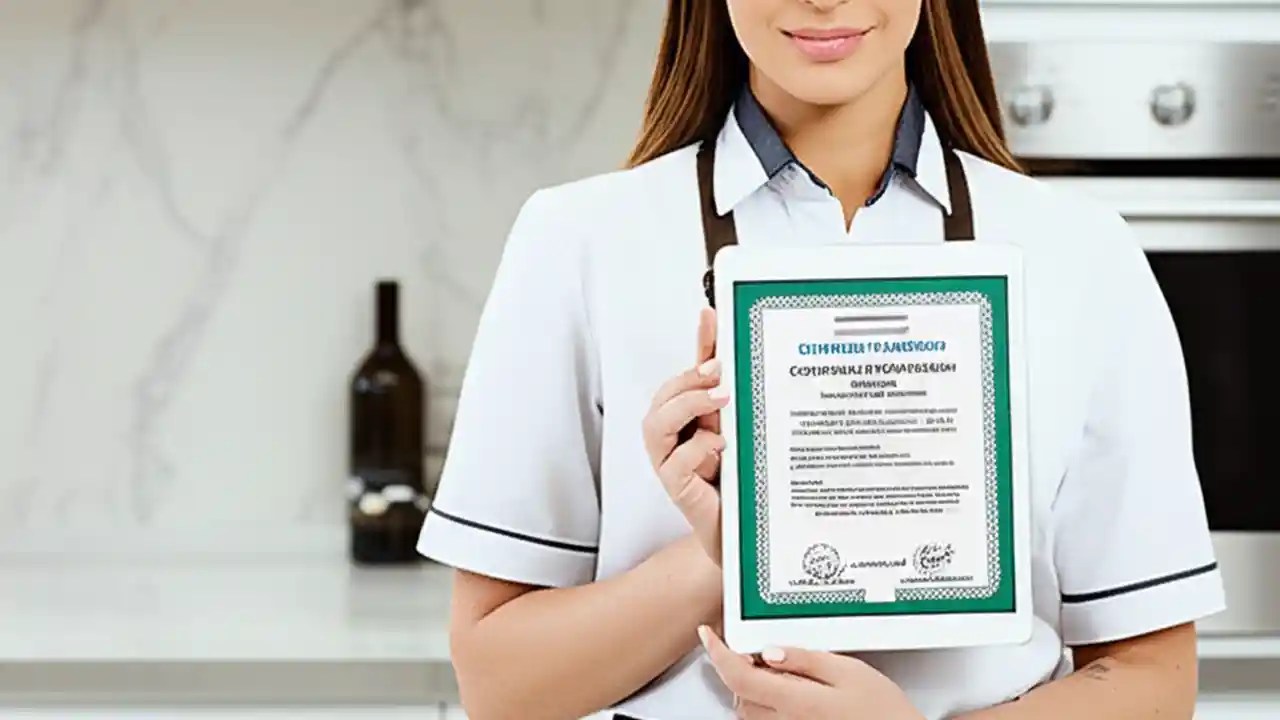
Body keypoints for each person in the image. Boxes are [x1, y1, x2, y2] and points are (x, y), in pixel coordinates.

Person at [415, 0, 1226, 717]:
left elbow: (1152, 678)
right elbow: (500, 686)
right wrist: (731, 553)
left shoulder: (1083, 253)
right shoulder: (576, 242)